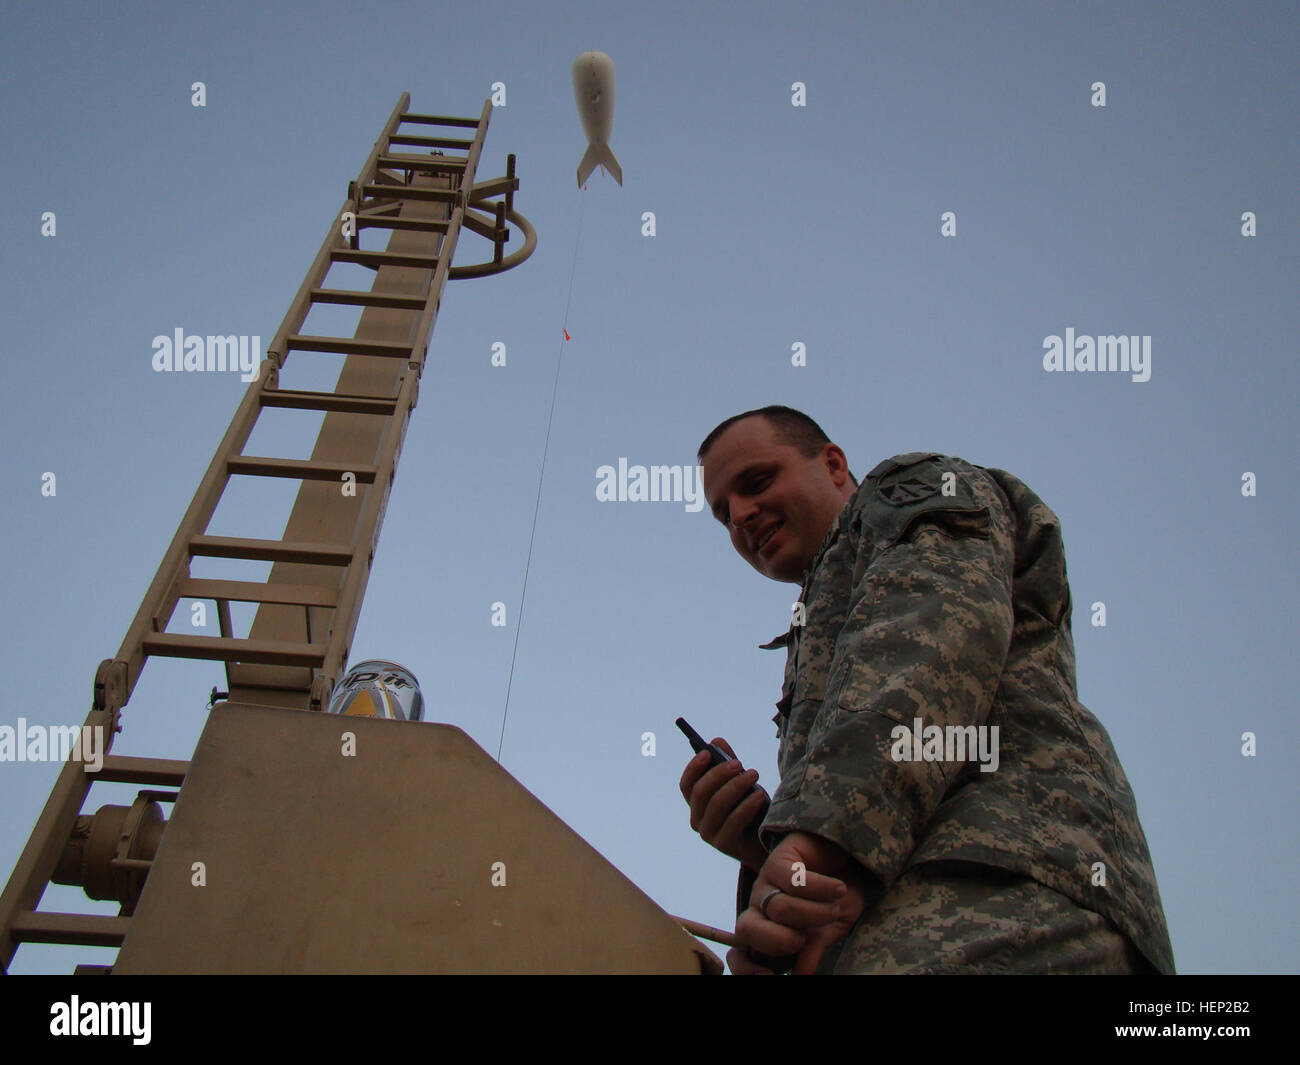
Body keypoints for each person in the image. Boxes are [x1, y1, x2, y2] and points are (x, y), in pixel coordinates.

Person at [680, 406, 1175, 974]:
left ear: (835, 464)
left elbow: (930, 640)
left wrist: (818, 842)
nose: (741, 514)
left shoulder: (904, 491)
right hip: (907, 924)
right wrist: (764, 845)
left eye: (757, 482)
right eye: (723, 515)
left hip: (996, 897)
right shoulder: (814, 620)